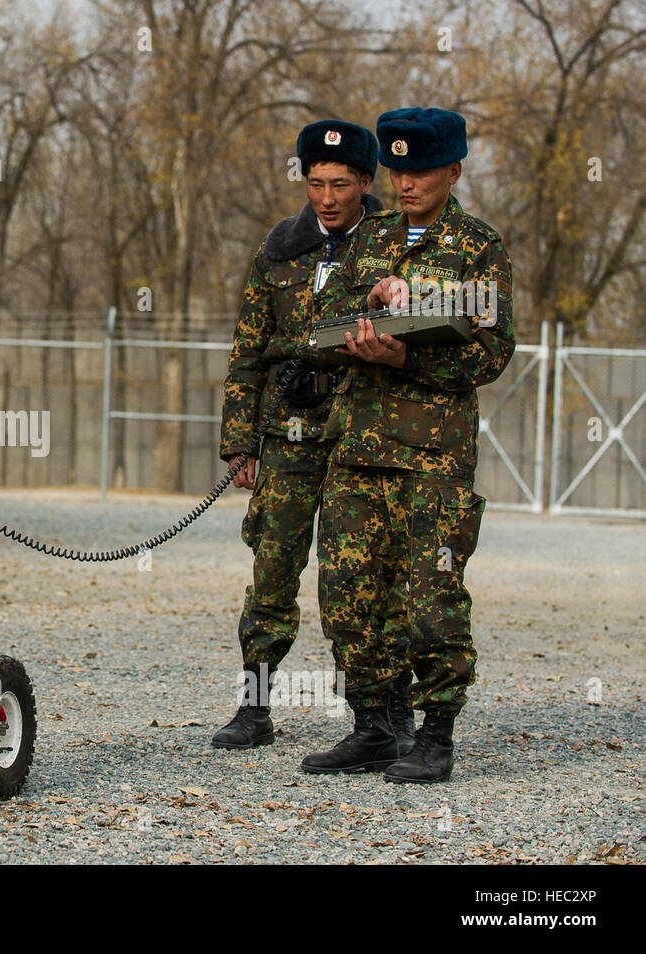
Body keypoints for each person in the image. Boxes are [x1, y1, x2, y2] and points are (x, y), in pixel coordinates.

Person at [303, 107, 514, 782]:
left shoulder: (477, 248)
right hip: (358, 452)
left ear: (453, 169)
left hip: (433, 461)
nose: (406, 182)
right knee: (346, 596)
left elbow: (491, 355)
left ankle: (437, 734)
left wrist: (409, 361)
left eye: (420, 169)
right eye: (396, 170)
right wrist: (361, 310)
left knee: (430, 601)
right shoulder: (370, 240)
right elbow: (315, 329)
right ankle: (374, 727)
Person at [215, 120, 414, 752]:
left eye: (339, 185)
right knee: (271, 569)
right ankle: (254, 707)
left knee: (363, 574)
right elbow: (247, 352)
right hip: (289, 431)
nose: (326, 198)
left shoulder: (393, 248)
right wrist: (240, 442)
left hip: (363, 432)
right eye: (314, 183)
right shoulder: (280, 248)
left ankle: (381, 715)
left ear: (365, 181)